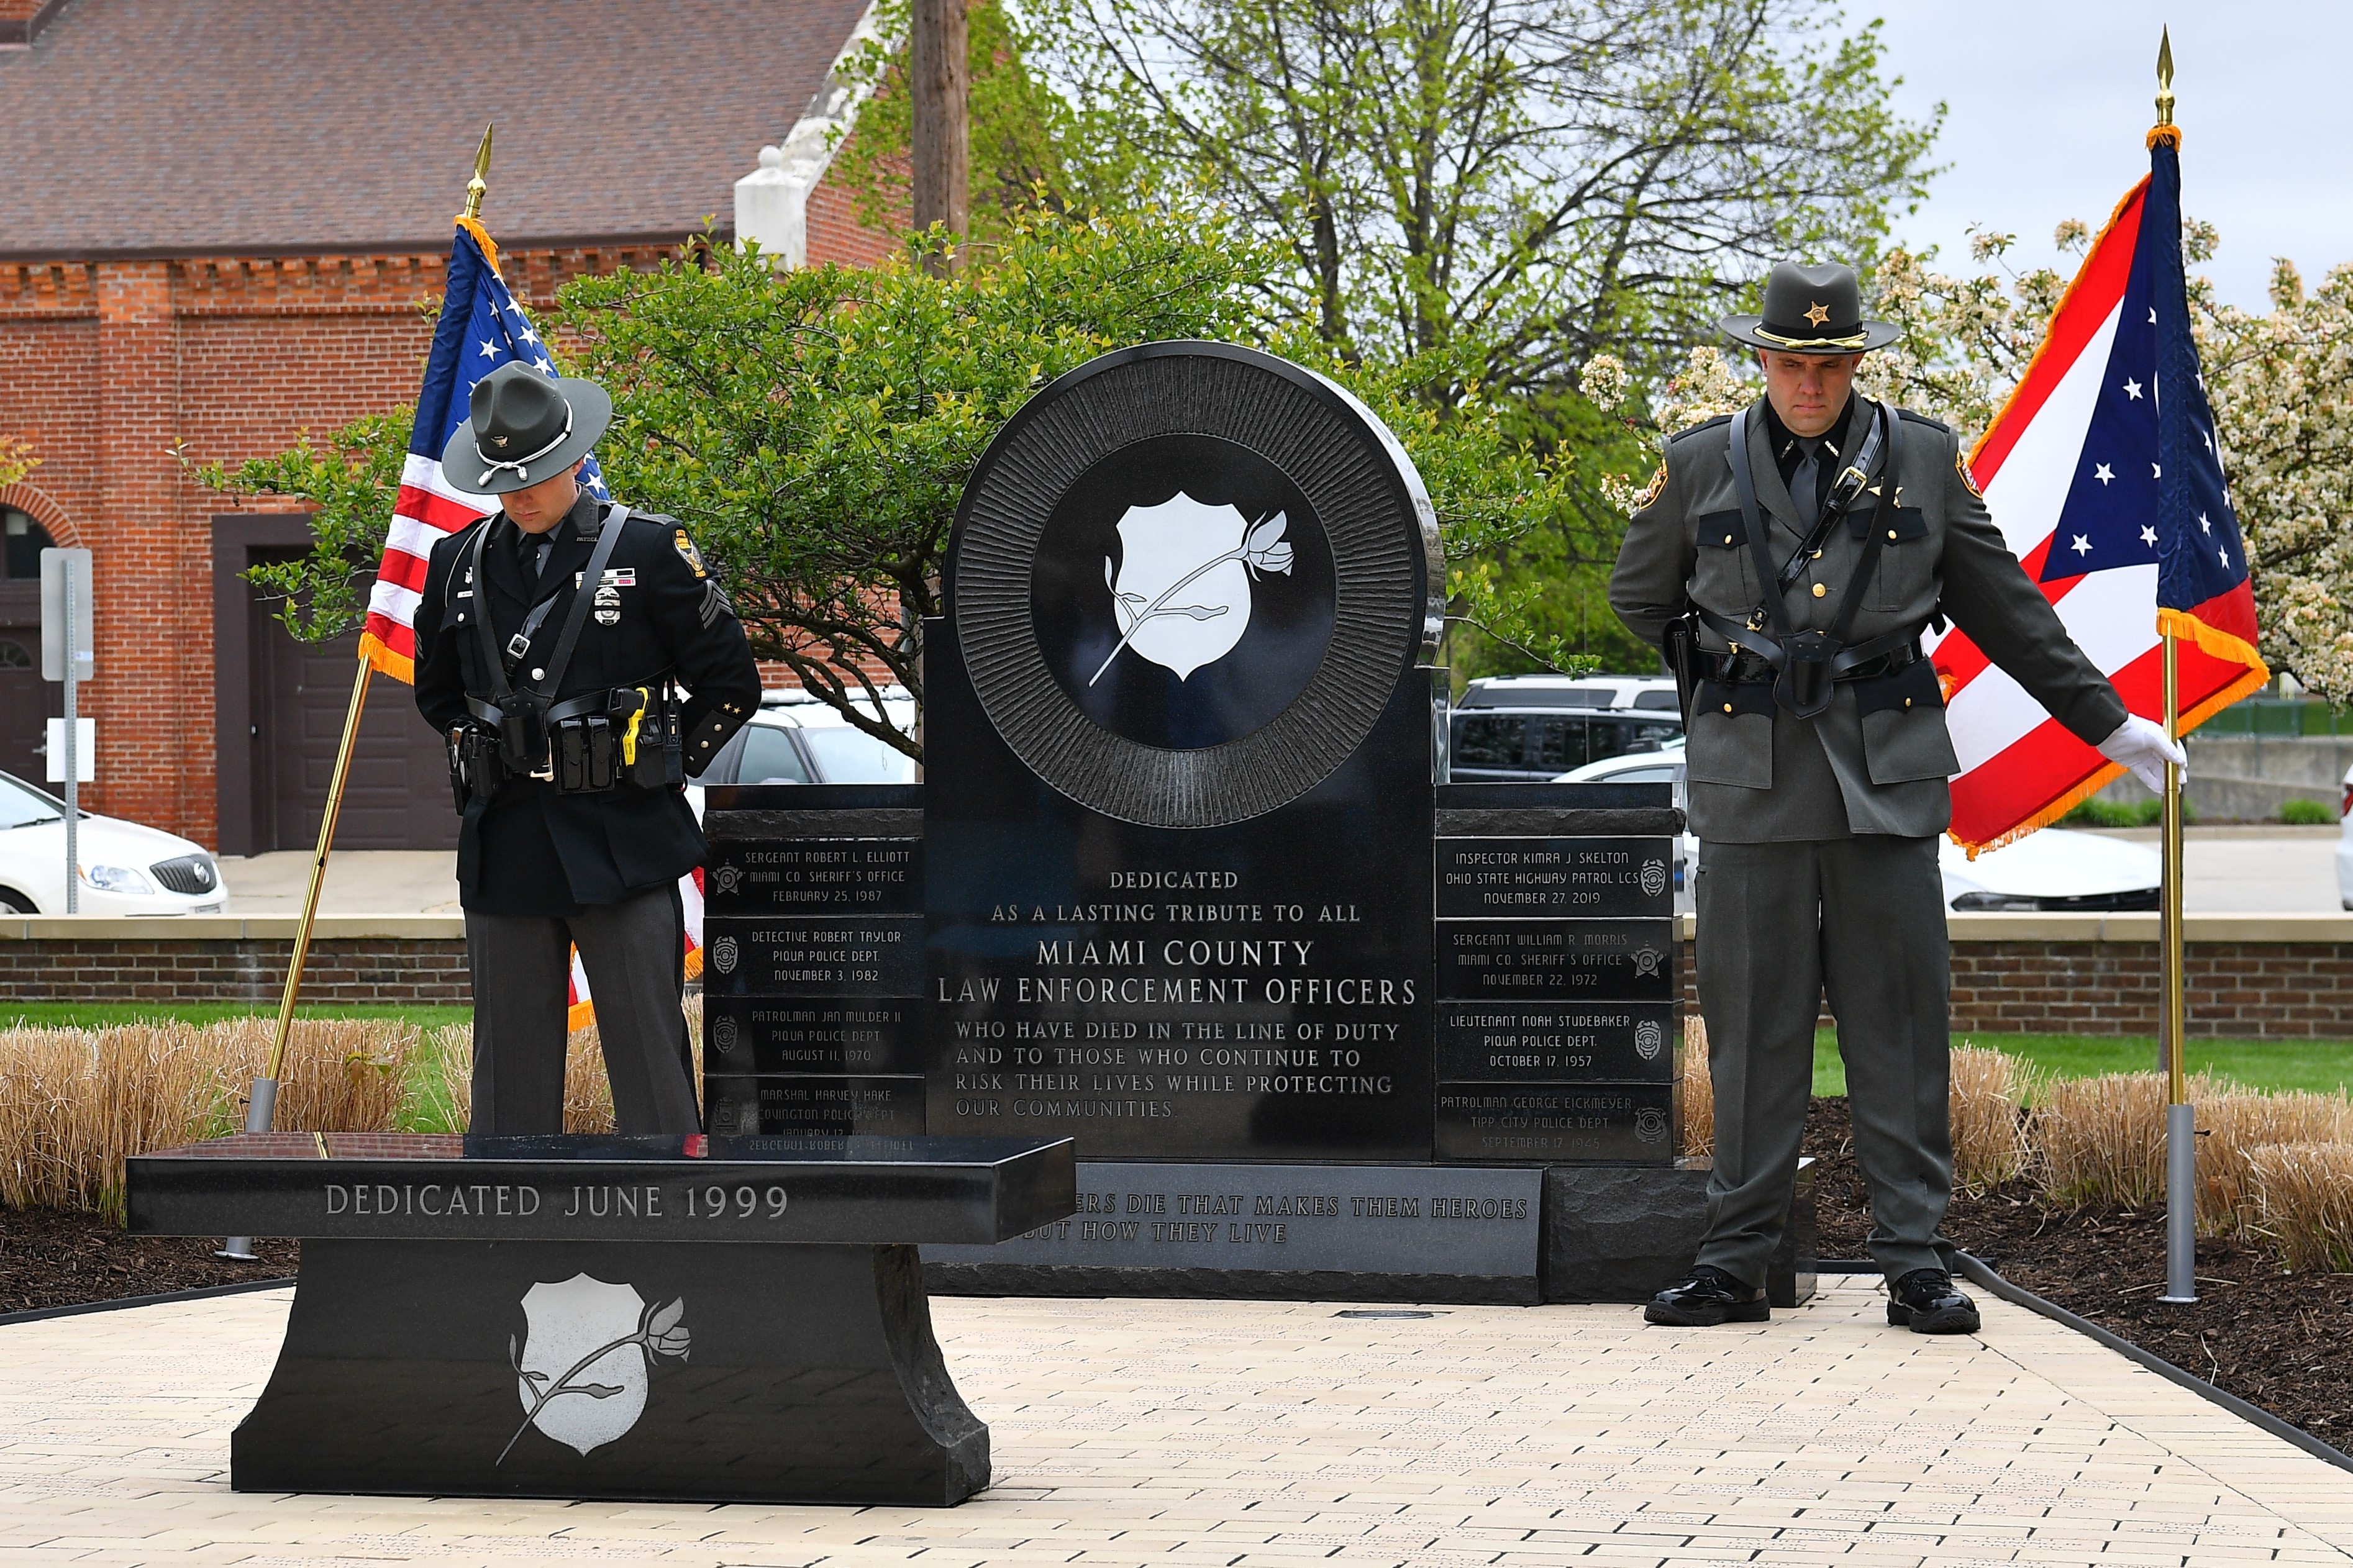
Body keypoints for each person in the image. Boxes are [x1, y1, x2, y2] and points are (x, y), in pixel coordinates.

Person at [1609, 261, 2183, 1334]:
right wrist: (1730, 673)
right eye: (1790, 362)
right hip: (1752, 787)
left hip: (1883, 783)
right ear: (1762, 362)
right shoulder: (1693, 467)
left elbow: (2007, 608)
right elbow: (1639, 594)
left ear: (1854, 362)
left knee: (1900, 1030)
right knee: (1748, 1034)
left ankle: (1915, 1261)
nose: (1809, 384)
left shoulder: (1919, 457)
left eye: (1827, 364)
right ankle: (1733, 1262)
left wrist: (2105, 721)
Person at [416, 361, 762, 1135]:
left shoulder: (649, 550)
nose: (521, 492)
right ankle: (511, 1227)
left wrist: (656, 762)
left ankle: (671, 1223)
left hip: (625, 841)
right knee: (508, 1077)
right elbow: (438, 695)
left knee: (648, 1062)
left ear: (575, 459)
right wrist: (486, 765)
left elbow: (730, 683)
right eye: (504, 477)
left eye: (536, 472)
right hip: (506, 843)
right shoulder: (456, 564)